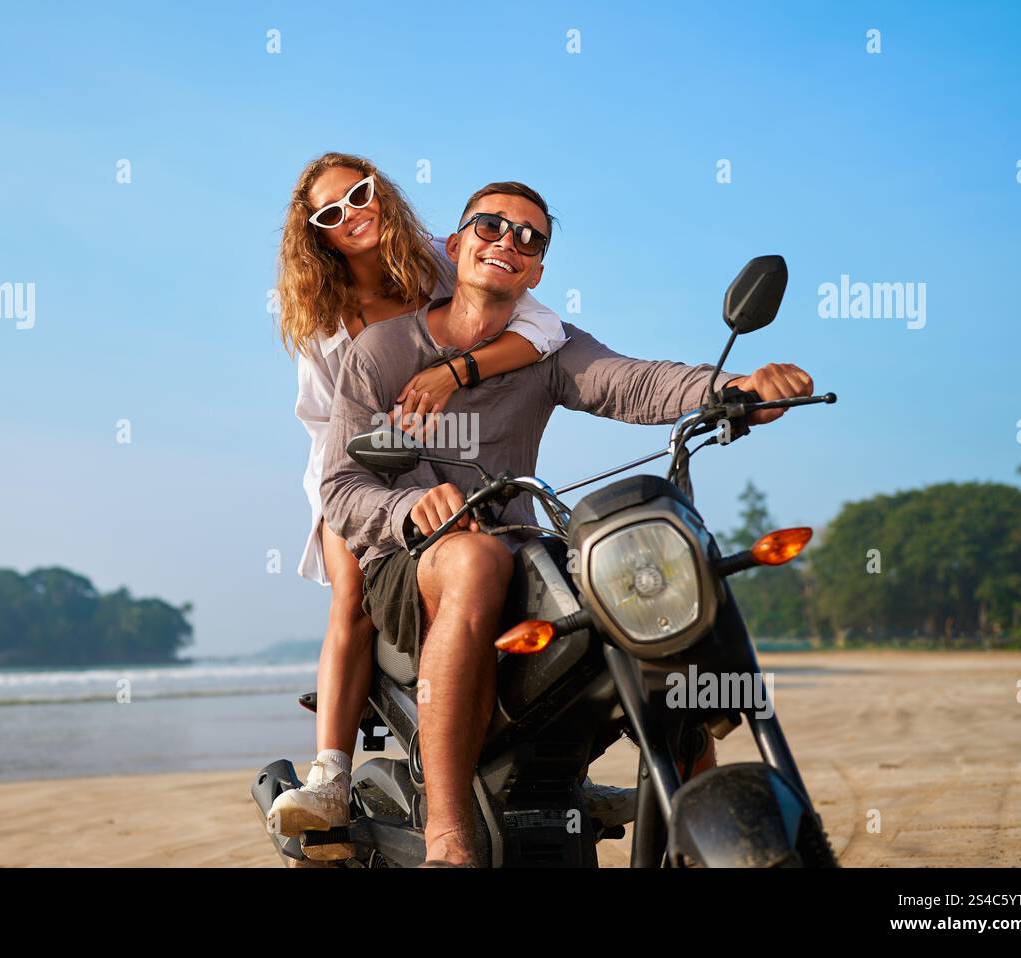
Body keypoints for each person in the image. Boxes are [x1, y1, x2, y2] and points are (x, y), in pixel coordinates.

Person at [321, 181, 815, 865]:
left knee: (642, 575)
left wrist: (733, 390)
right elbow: (340, 488)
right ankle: (449, 835)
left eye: (529, 237)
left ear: (539, 270)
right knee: (475, 558)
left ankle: (695, 811)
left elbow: (630, 380)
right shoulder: (380, 351)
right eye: (490, 226)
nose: (508, 242)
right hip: (412, 563)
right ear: (457, 245)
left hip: (514, 548)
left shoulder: (548, 351)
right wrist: (409, 507)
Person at [268, 154, 566, 854]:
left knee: (520, 565)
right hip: (356, 458)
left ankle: (554, 773)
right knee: (353, 598)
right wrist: (365, 479)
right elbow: (323, 418)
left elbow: (545, 331)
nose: (352, 214)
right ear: (316, 233)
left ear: (382, 189)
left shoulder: (442, 259)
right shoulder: (319, 316)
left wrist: (455, 369)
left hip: (450, 450)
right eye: (330, 213)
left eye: (360, 195)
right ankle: (331, 774)